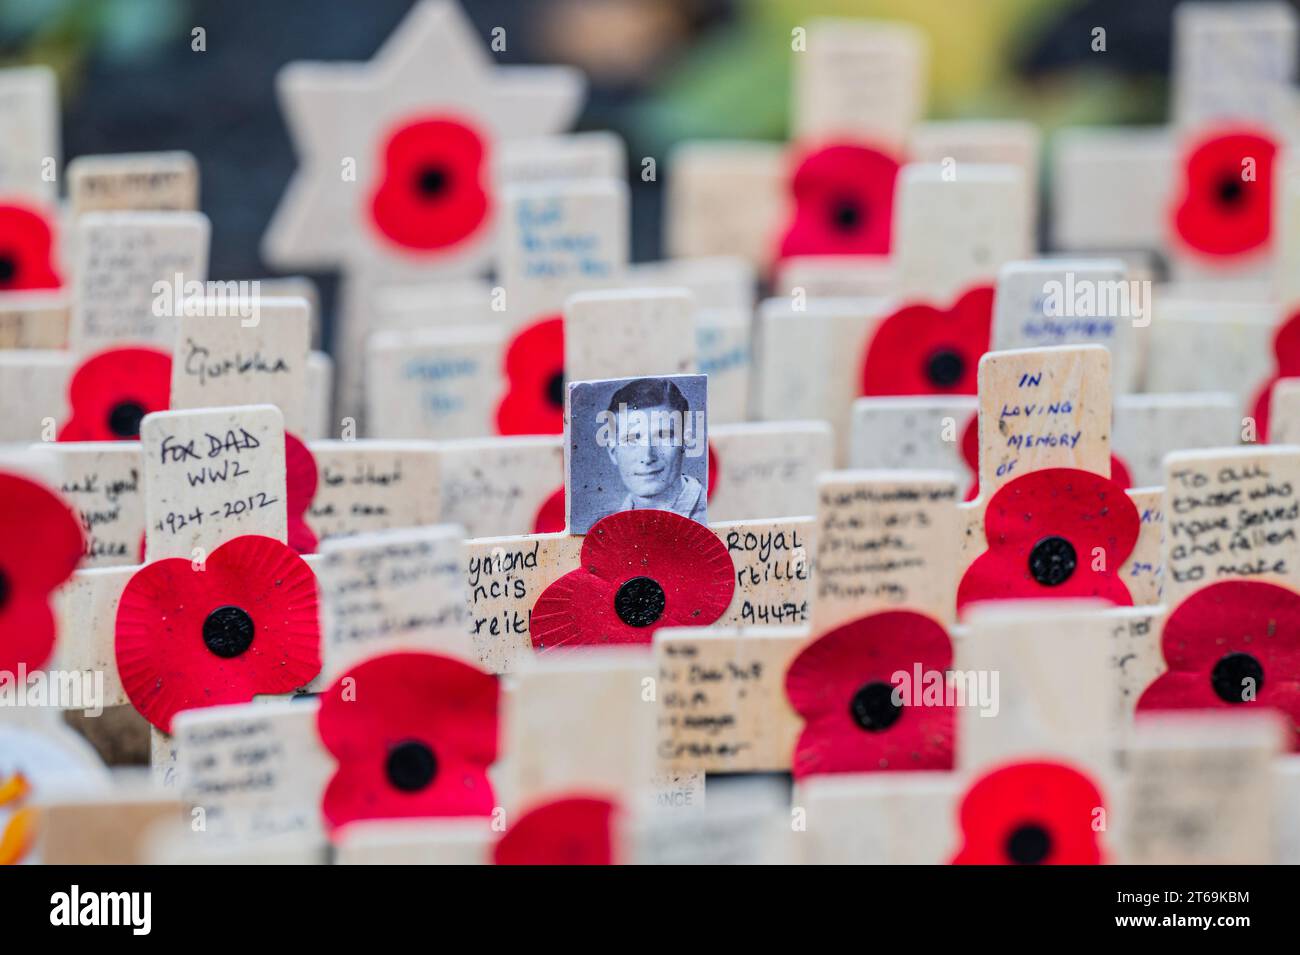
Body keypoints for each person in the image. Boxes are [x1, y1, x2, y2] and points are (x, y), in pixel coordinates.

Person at [605, 378, 705, 521]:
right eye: (631, 439)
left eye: (663, 436)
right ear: (612, 452)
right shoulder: (604, 527)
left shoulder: (715, 513)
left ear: (685, 442)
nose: (647, 457)